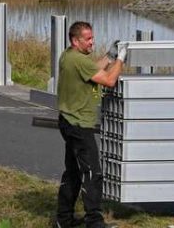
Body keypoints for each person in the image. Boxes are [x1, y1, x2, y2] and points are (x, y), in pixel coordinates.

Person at [55, 21, 127, 228]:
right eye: (88, 39)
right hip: (79, 126)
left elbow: (92, 70)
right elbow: (109, 80)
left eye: (92, 38)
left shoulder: (68, 56)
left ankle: (64, 220)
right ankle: (94, 222)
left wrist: (110, 55)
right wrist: (120, 59)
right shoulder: (79, 60)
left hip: (68, 121)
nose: (92, 42)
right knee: (92, 173)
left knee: (74, 173)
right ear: (75, 40)